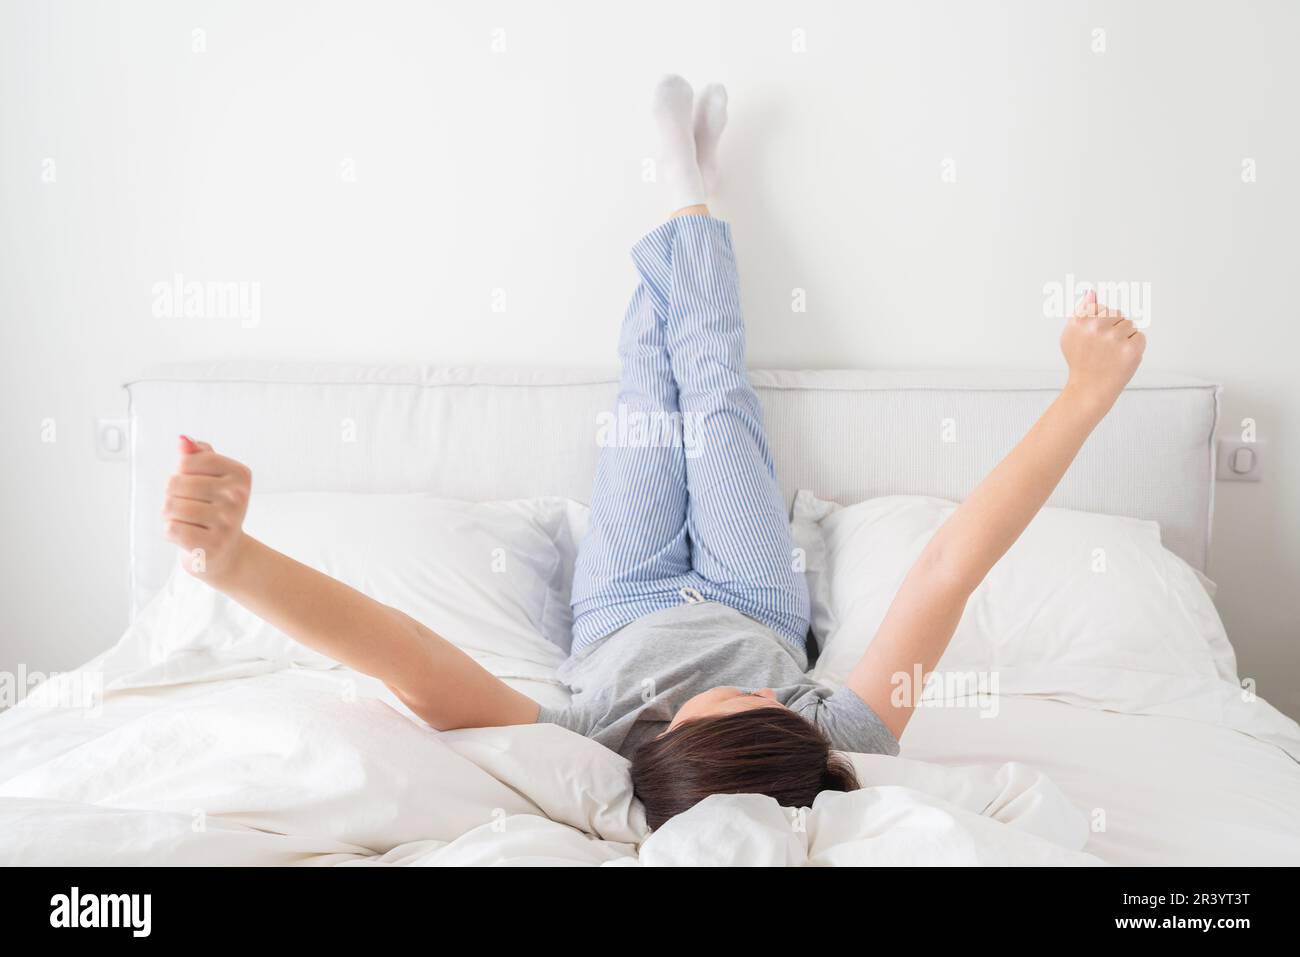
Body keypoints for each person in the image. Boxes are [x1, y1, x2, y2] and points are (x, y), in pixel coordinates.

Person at [162, 76, 1145, 830]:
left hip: (618, 605)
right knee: (713, 399)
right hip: (754, 592)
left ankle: (683, 204)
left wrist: (233, 563)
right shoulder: (828, 739)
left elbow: (407, 658)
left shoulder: (584, 740)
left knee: (646, 388)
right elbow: (946, 567)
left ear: (667, 746)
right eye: (778, 706)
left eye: (734, 704)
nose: (768, 692)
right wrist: (1081, 399)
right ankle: (686, 196)